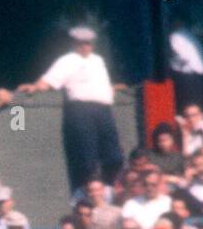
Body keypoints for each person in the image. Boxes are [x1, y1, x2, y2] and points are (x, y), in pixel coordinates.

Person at [17, 26, 125, 190]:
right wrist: (35, 86)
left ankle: (108, 188)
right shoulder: (67, 60)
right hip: (81, 111)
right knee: (88, 159)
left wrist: (113, 87)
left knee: (114, 157)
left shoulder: (98, 60)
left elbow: (99, 83)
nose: (85, 47)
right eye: (82, 43)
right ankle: (88, 192)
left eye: (88, 43)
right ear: (75, 44)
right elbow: (50, 80)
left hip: (103, 110)